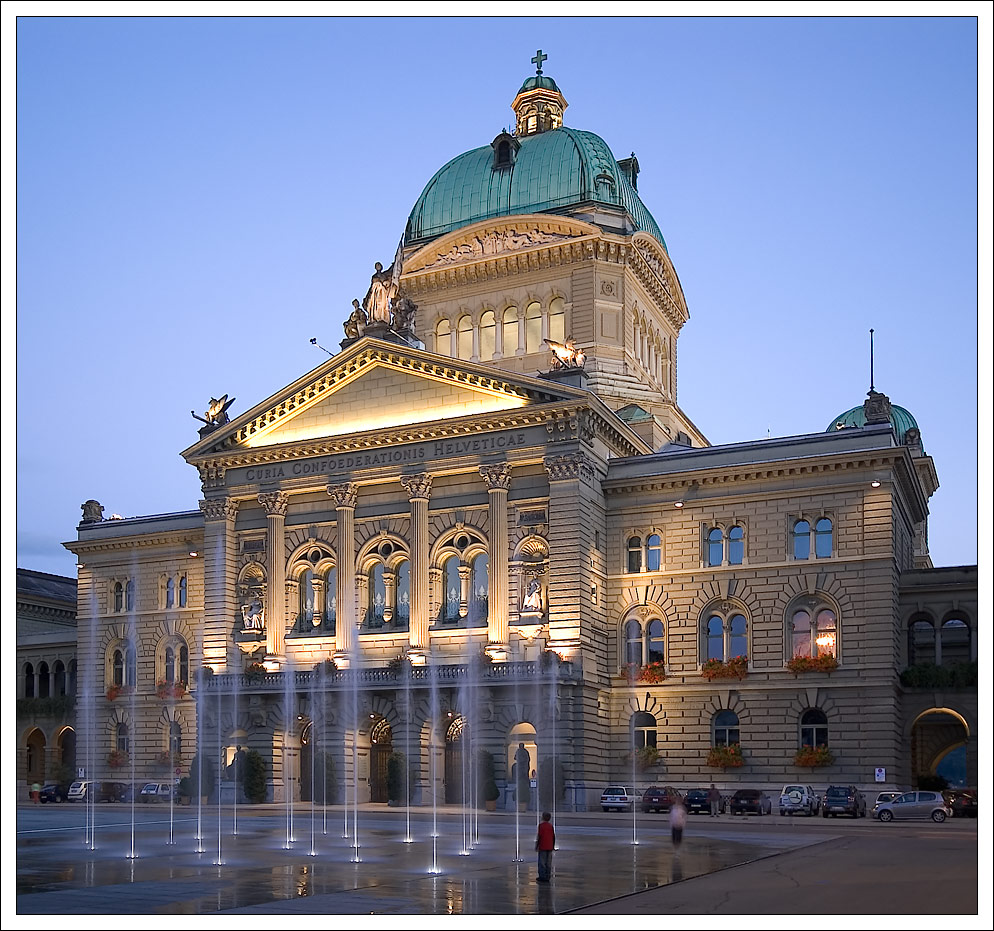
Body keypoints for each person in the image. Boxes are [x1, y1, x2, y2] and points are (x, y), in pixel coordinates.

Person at [535, 811, 555, 882]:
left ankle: (542, 876)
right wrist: (553, 846)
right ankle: (548, 876)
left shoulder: (541, 826)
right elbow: (553, 836)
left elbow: (539, 836)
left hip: (543, 846)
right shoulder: (551, 826)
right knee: (548, 863)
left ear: (543, 817)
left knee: (542, 862)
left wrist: (537, 845)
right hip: (549, 847)